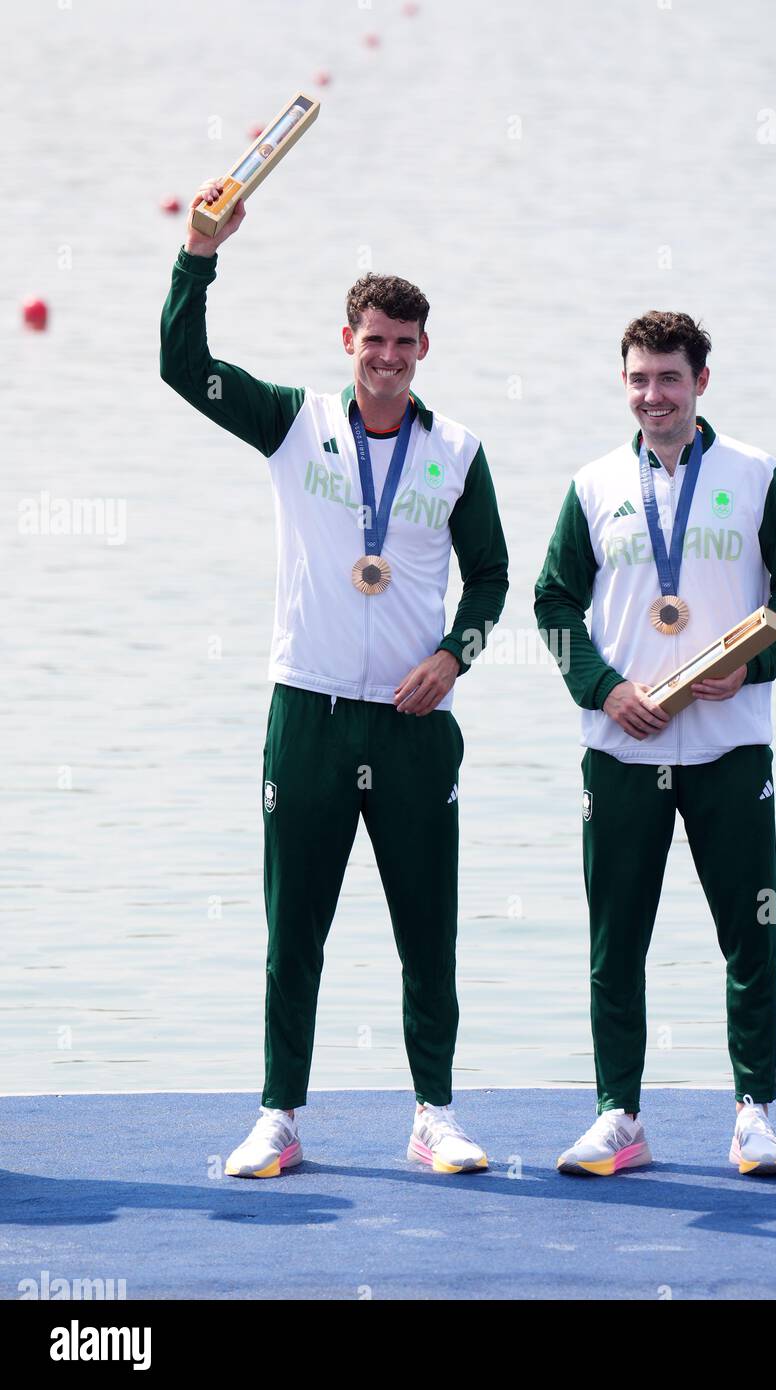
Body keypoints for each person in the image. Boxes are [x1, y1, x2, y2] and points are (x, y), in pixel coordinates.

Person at [160, 182, 509, 1177]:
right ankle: (278, 1114)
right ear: (345, 342)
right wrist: (198, 255)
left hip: (409, 723)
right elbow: (181, 367)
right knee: (292, 930)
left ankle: (433, 1114)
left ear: (423, 351)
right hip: (305, 712)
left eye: (404, 344)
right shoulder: (290, 422)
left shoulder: (456, 454)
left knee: (424, 931)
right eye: (372, 342)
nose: (387, 359)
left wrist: (456, 654)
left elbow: (490, 576)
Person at [534, 310, 776, 1177]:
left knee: (749, 934)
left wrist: (754, 665)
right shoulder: (592, 485)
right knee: (615, 941)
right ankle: (619, 1116)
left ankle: (754, 1117)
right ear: (622, 385)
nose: (652, 395)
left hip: (729, 744)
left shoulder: (755, 473)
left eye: (668, 378)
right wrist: (604, 689)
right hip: (621, 747)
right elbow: (551, 604)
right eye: (637, 379)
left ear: (701, 382)